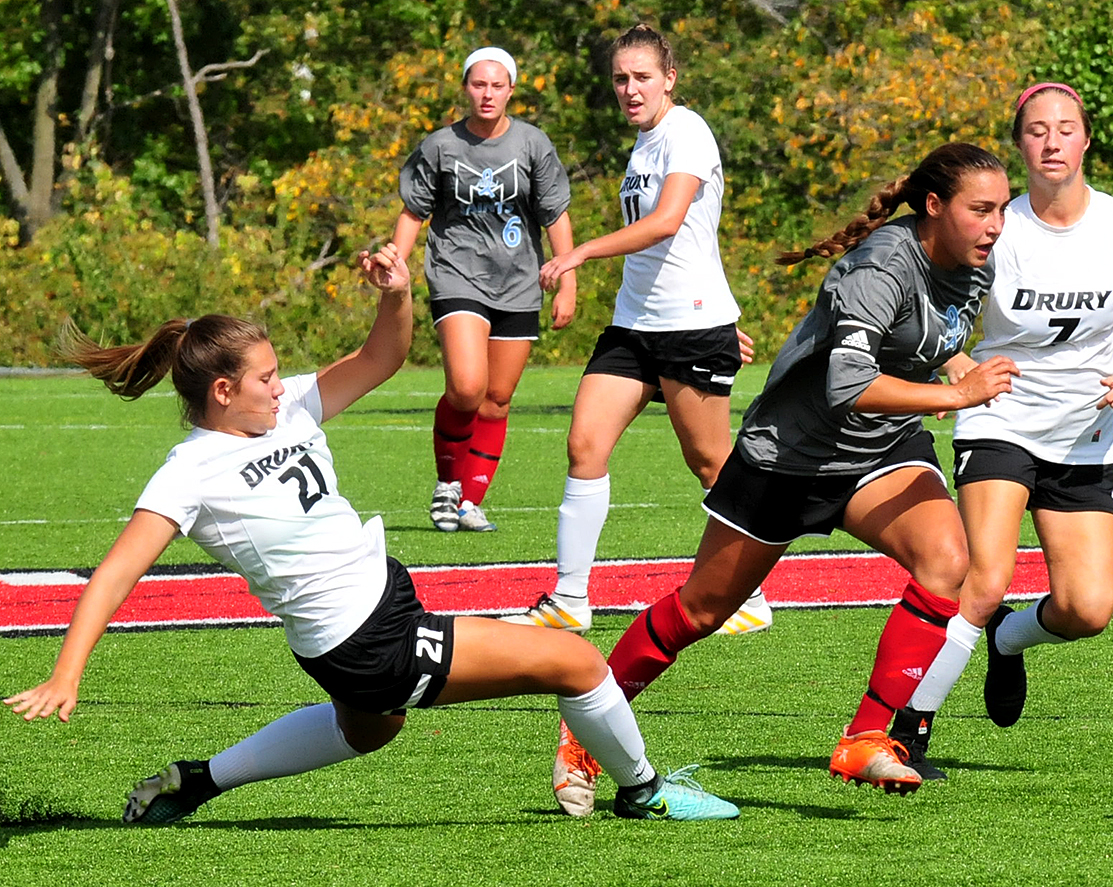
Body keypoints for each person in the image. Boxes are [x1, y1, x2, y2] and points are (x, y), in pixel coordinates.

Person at [3, 245, 737, 824]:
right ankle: (644, 791)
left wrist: (394, 294)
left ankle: (196, 781)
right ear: (222, 392)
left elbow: (382, 356)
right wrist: (68, 673)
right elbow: (115, 574)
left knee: (369, 733)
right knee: (576, 663)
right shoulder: (188, 471)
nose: (281, 383)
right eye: (264, 377)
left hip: (371, 616)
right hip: (364, 641)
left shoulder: (284, 411)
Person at [549, 142, 1020, 815]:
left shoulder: (975, 266)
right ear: (936, 207)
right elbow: (849, 382)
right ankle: (584, 734)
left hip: (880, 450)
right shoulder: (879, 266)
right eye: (982, 209)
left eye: (1002, 209)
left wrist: (955, 367)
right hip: (788, 457)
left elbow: (930, 339)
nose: (996, 224)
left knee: (948, 562)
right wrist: (959, 396)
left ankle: (866, 738)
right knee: (701, 611)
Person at [887, 82, 1113, 778]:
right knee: (982, 580)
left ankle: (1009, 640)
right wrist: (960, 372)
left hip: (1083, 434)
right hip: (1000, 421)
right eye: (1036, 130)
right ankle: (907, 729)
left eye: (1065, 128)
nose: (1051, 141)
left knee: (1088, 607)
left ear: (1085, 139)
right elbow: (930, 314)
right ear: (1019, 145)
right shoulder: (996, 226)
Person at [501, 24, 771, 638]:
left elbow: (669, 223)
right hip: (633, 327)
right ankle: (570, 598)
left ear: (668, 78)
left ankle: (746, 593)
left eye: (642, 76)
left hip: (691, 329)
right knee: (584, 446)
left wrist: (580, 253)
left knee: (709, 462)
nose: (630, 88)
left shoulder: (688, 131)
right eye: (620, 78)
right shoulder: (643, 144)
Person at [392, 46, 577, 534]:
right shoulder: (440, 146)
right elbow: (414, 211)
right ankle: (447, 483)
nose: (487, 93)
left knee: (497, 398)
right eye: (479, 84)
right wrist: (396, 263)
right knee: (468, 387)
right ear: (466, 88)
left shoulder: (533, 144)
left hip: (519, 282)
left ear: (511, 90)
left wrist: (567, 280)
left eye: (497, 85)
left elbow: (555, 213)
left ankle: (470, 501)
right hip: (457, 275)